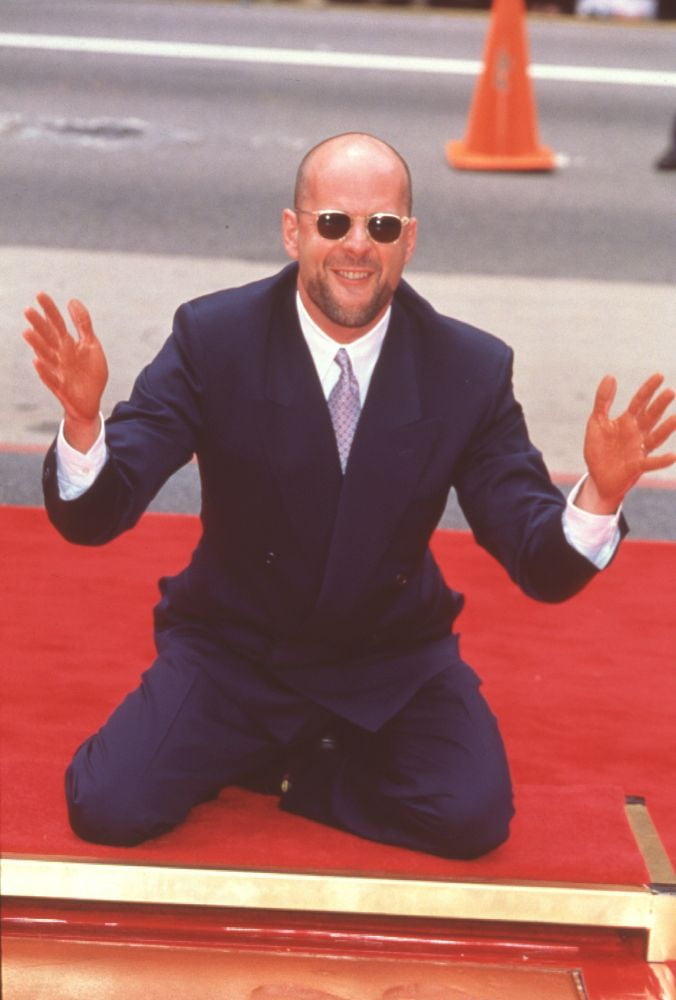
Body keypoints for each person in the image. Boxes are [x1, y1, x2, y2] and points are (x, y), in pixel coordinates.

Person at [23, 133, 676, 859]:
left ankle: (294, 771)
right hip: (236, 650)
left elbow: (535, 556)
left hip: (389, 658)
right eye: (334, 222)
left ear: (409, 241)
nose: (357, 245)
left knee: (471, 817)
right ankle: (259, 744)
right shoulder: (214, 337)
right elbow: (100, 510)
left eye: (382, 226)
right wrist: (85, 423)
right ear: (293, 230)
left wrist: (598, 496)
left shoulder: (468, 367)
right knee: (108, 806)